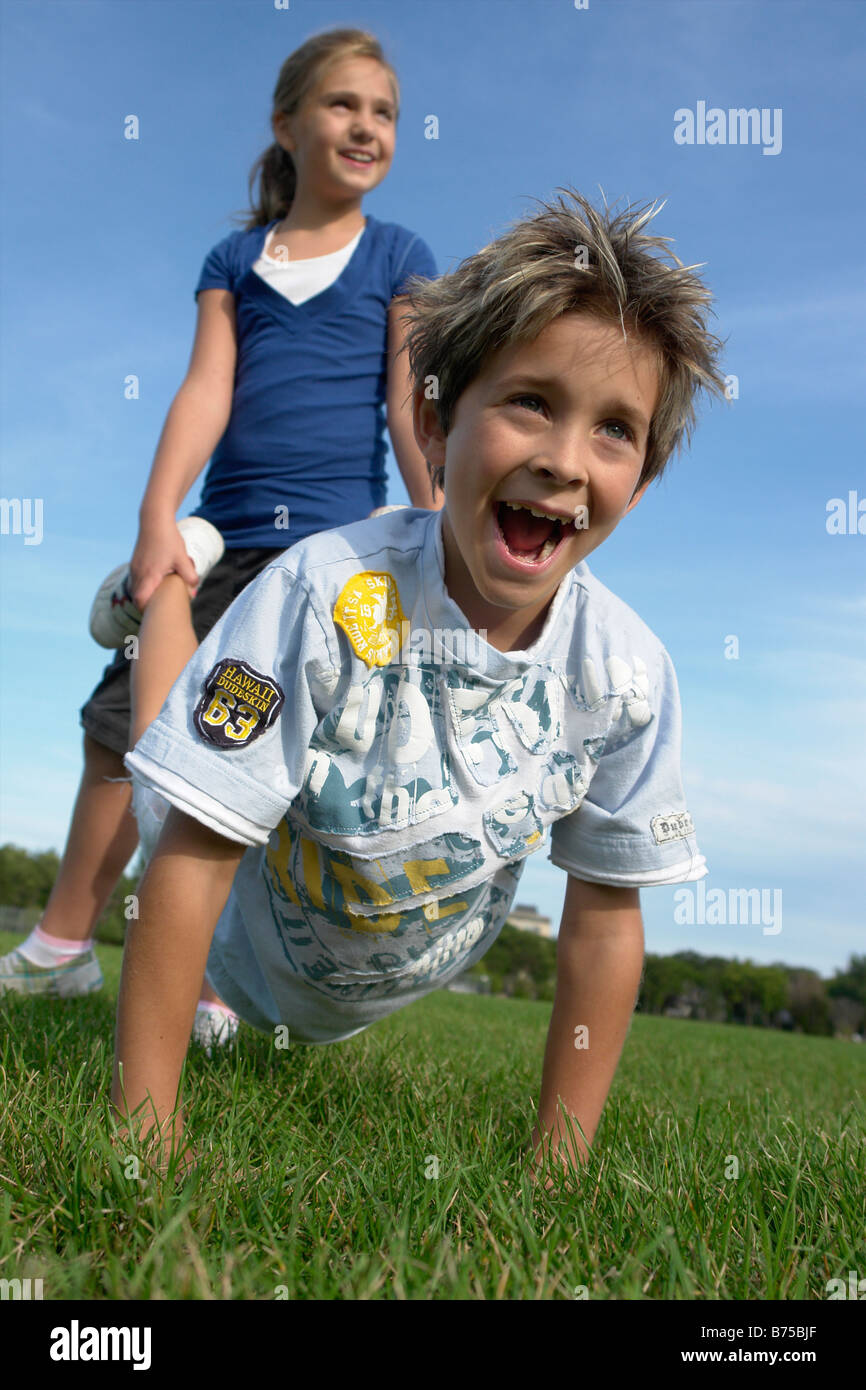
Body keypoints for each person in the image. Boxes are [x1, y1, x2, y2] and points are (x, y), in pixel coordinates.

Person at [112, 187, 726, 1181]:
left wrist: (556, 1166)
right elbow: (190, 849)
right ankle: (165, 583)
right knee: (163, 772)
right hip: (233, 932)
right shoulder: (323, 591)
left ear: (642, 480)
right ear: (436, 428)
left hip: (347, 989)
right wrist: (145, 1133)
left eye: (613, 429)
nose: (564, 460)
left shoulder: (622, 675)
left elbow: (605, 918)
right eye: (530, 400)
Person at [0, 28, 439, 1045]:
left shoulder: (396, 255)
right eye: (341, 105)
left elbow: (408, 399)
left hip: (327, 562)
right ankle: (61, 946)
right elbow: (207, 389)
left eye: (381, 111)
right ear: (286, 125)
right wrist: (159, 516)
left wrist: (430, 527)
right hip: (219, 538)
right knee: (118, 732)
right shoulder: (234, 260)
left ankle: (209, 978)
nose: (364, 126)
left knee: (260, 755)